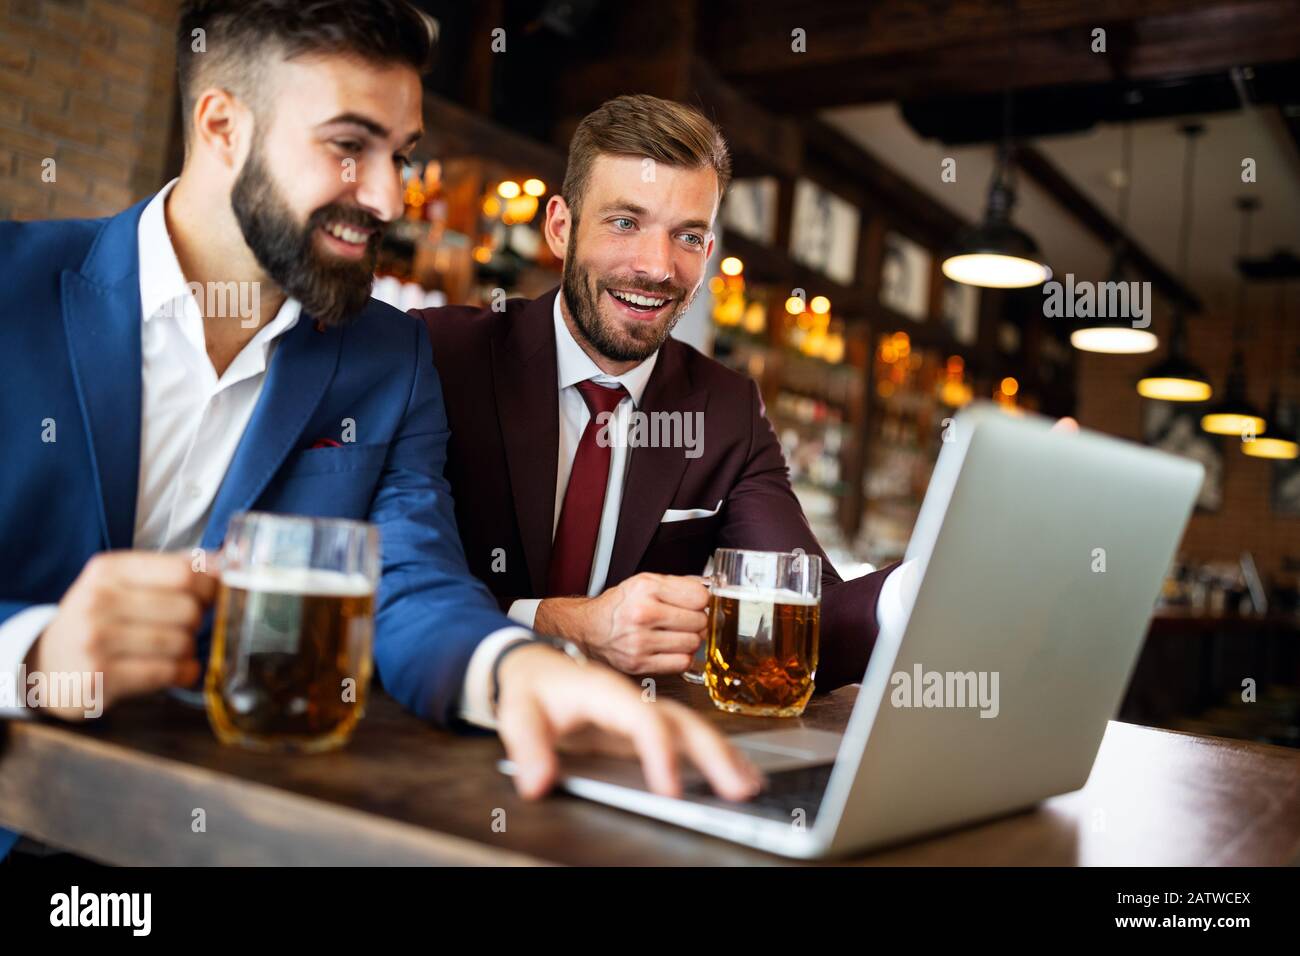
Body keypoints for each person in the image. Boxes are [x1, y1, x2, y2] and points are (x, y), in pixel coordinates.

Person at [0, 0, 761, 864]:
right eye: (348, 147)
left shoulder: (386, 352)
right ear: (221, 125)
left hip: (242, 835)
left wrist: (518, 671)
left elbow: (412, 580)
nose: (390, 196)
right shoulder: (11, 288)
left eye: (401, 155)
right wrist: (33, 654)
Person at [414, 95, 902, 688]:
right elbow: (390, 575)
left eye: (688, 236)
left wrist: (932, 576)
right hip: (440, 720)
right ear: (561, 228)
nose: (657, 267)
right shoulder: (440, 357)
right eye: (625, 223)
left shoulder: (727, 411)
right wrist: (565, 623)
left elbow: (811, 615)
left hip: (626, 751)